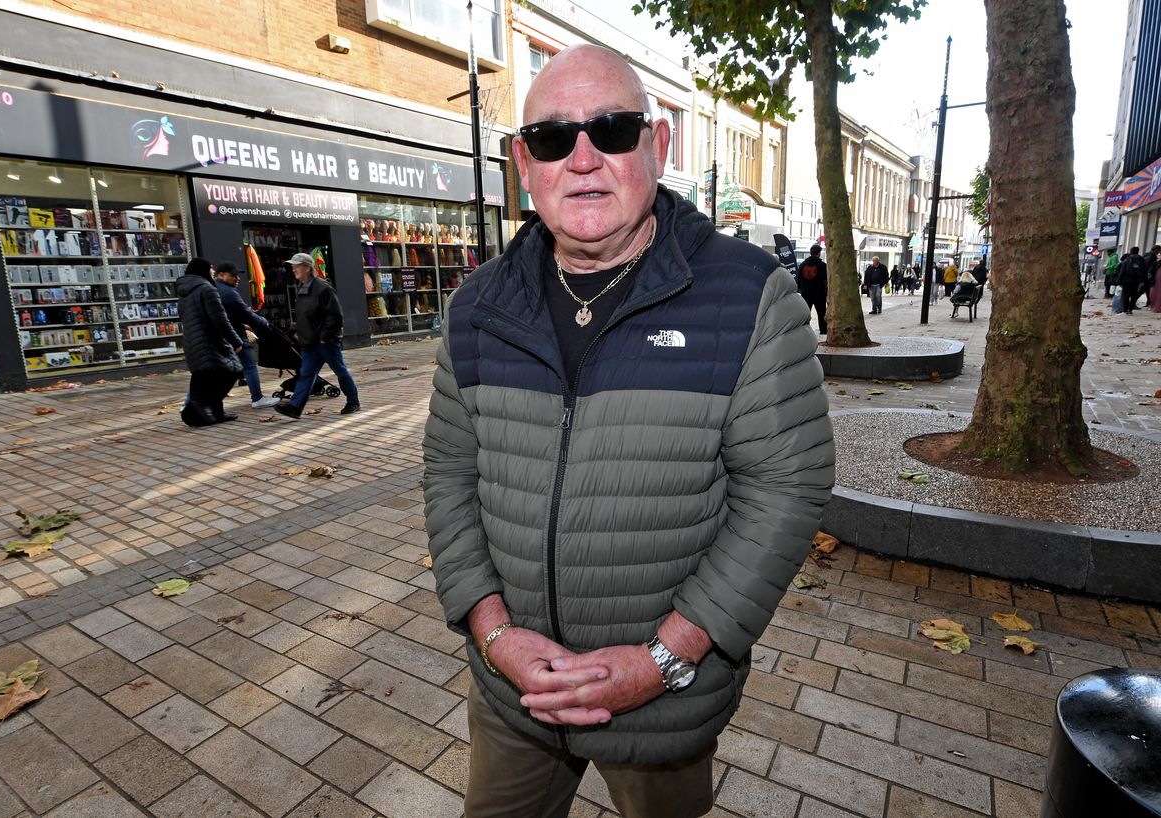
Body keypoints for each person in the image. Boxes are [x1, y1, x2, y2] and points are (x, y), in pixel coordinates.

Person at [422, 44, 834, 818]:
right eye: (551, 138)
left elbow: (786, 486)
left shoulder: (748, 296)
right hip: (513, 697)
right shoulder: (476, 307)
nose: (581, 158)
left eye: (611, 129)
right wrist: (493, 631)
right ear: (523, 162)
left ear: (657, 145)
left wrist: (666, 658)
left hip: (662, 707)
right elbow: (448, 473)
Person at [273, 253, 360, 418]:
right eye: (293, 266)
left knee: (340, 371)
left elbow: (336, 316)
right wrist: (296, 331)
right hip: (310, 344)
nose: (293, 269)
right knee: (306, 374)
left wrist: (324, 337)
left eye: (297, 266)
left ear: (307, 267)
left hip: (325, 342)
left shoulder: (323, 288)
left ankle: (353, 401)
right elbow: (305, 316)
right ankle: (295, 407)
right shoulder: (303, 288)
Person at [176, 258, 243, 427]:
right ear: (203, 270)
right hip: (208, 340)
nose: (213, 273)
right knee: (232, 370)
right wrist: (235, 340)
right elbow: (220, 319)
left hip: (192, 340)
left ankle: (215, 412)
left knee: (202, 375)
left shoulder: (185, 291)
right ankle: (201, 407)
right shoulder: (207, 289)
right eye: (211, 269)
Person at [215, 263, 279, 409]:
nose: (237, 278)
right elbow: (245, 313)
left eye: (238, 275)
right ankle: (257, 398)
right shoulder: (229, 293)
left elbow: (224, 315)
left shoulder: (214, 289)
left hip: (223, 335)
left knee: (223, 370)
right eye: (233, 275)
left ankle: (196, 401)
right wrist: (263, 322)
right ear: (221, 275)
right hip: (235, 336)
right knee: (249, 366)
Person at [796, 244, 828, 334]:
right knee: (821, 313)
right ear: (818, 253)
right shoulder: (822, 265)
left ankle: (804, 331)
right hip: (819, 293)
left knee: (806, 313)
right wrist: (827, 292)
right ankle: (823, 330)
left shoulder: (802, 265)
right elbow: (827, 280)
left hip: (806, 293)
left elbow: (798, 280)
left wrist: (801, 289)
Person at [1117, 246, 1147, 316]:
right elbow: (1144, 271)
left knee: (1125, 295)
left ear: (1131, 251)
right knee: (1134, 295)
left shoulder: (1127, 259)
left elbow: (1122, 271)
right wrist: (1143, 280)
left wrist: (1119, 281)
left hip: (1126, 280)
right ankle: (1130, 309)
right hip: (1136, 280)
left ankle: (1125, 310)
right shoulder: (1141, 259)